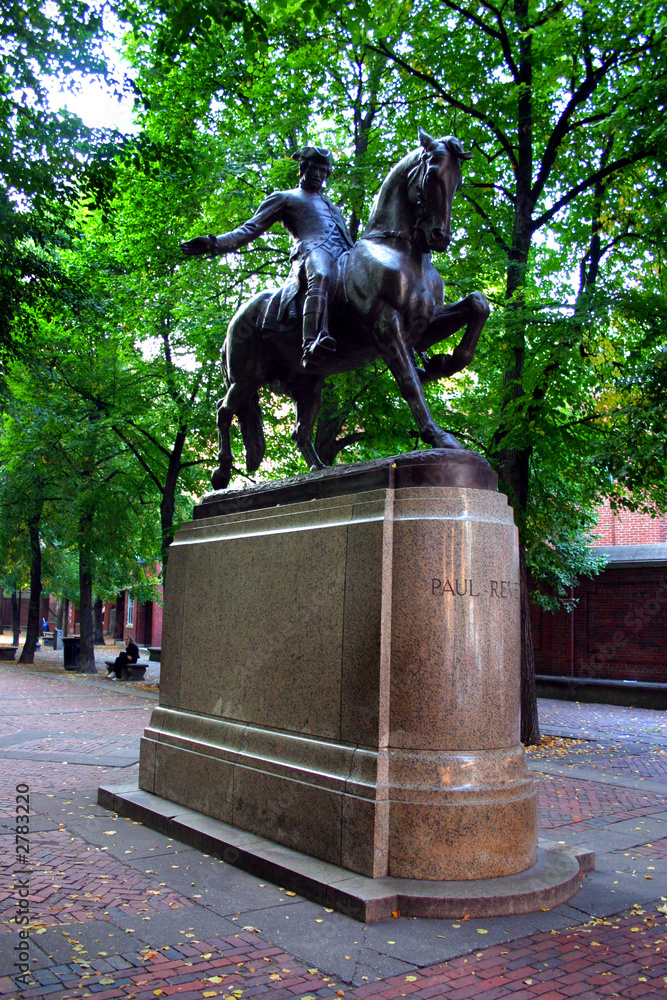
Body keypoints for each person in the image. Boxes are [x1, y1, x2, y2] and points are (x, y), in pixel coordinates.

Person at [181, 145, 354, 368]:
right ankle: (311, 342)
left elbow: (347, 239)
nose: (318, 175)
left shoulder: (333, 208)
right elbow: (249, 230)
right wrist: (213, 243)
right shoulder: (285, 198)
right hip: (311, 252)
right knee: (320, 274)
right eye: (314, 169)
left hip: (342, 254)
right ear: (303, 169)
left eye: (323, 171)